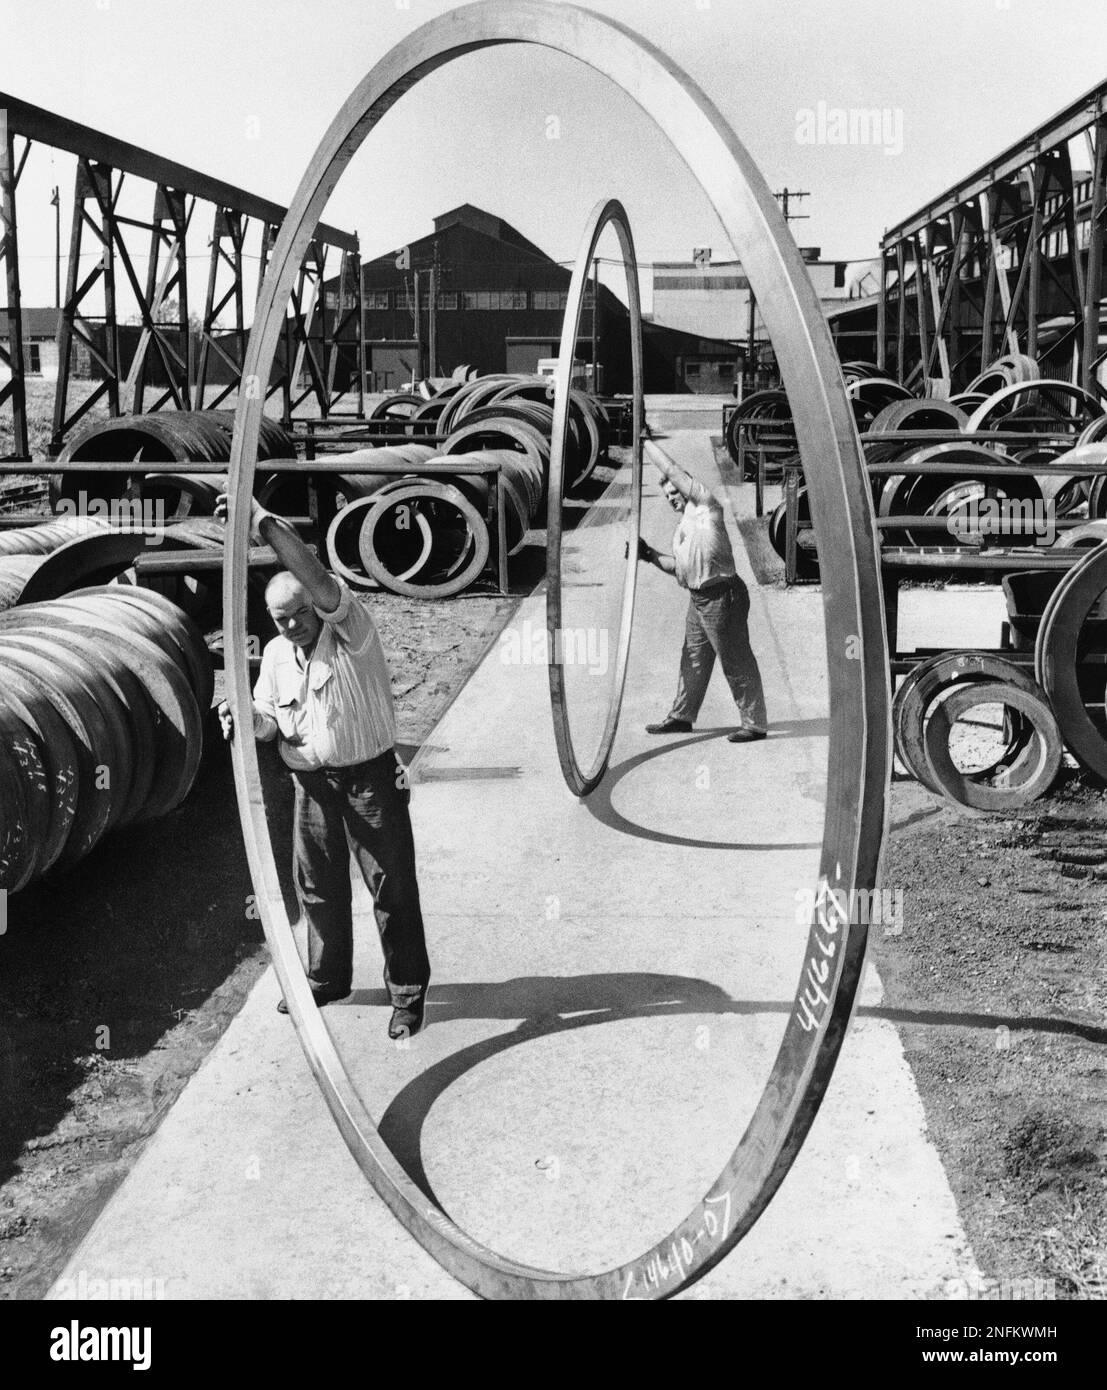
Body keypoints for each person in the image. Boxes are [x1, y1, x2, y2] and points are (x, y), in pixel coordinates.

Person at [215, 492, 430, 1040]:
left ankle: (406, 994)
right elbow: (268, 718)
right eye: (280, 621)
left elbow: (314, 575)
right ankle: (326, 979)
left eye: (299, 615)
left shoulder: (352, 632)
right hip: (310, 783)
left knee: (391, 887)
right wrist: (243, 718)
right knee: (316, 886)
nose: (291, 628)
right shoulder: (279, 655)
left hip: (370, 780)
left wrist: (262, 521)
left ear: (316, 604)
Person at [637, 438, 769, 743]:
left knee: (735, 659)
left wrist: (644, 442)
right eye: (667, 495)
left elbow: (672, 468)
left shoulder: (706, 506)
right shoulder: (680, 530)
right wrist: (649, 555)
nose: (672, 498)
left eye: (675, 491)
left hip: (723, 596)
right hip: (699, 599)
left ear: (686, 489)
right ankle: (682, 716)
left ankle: (755, 723)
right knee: (693, 658)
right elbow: (681, 570)